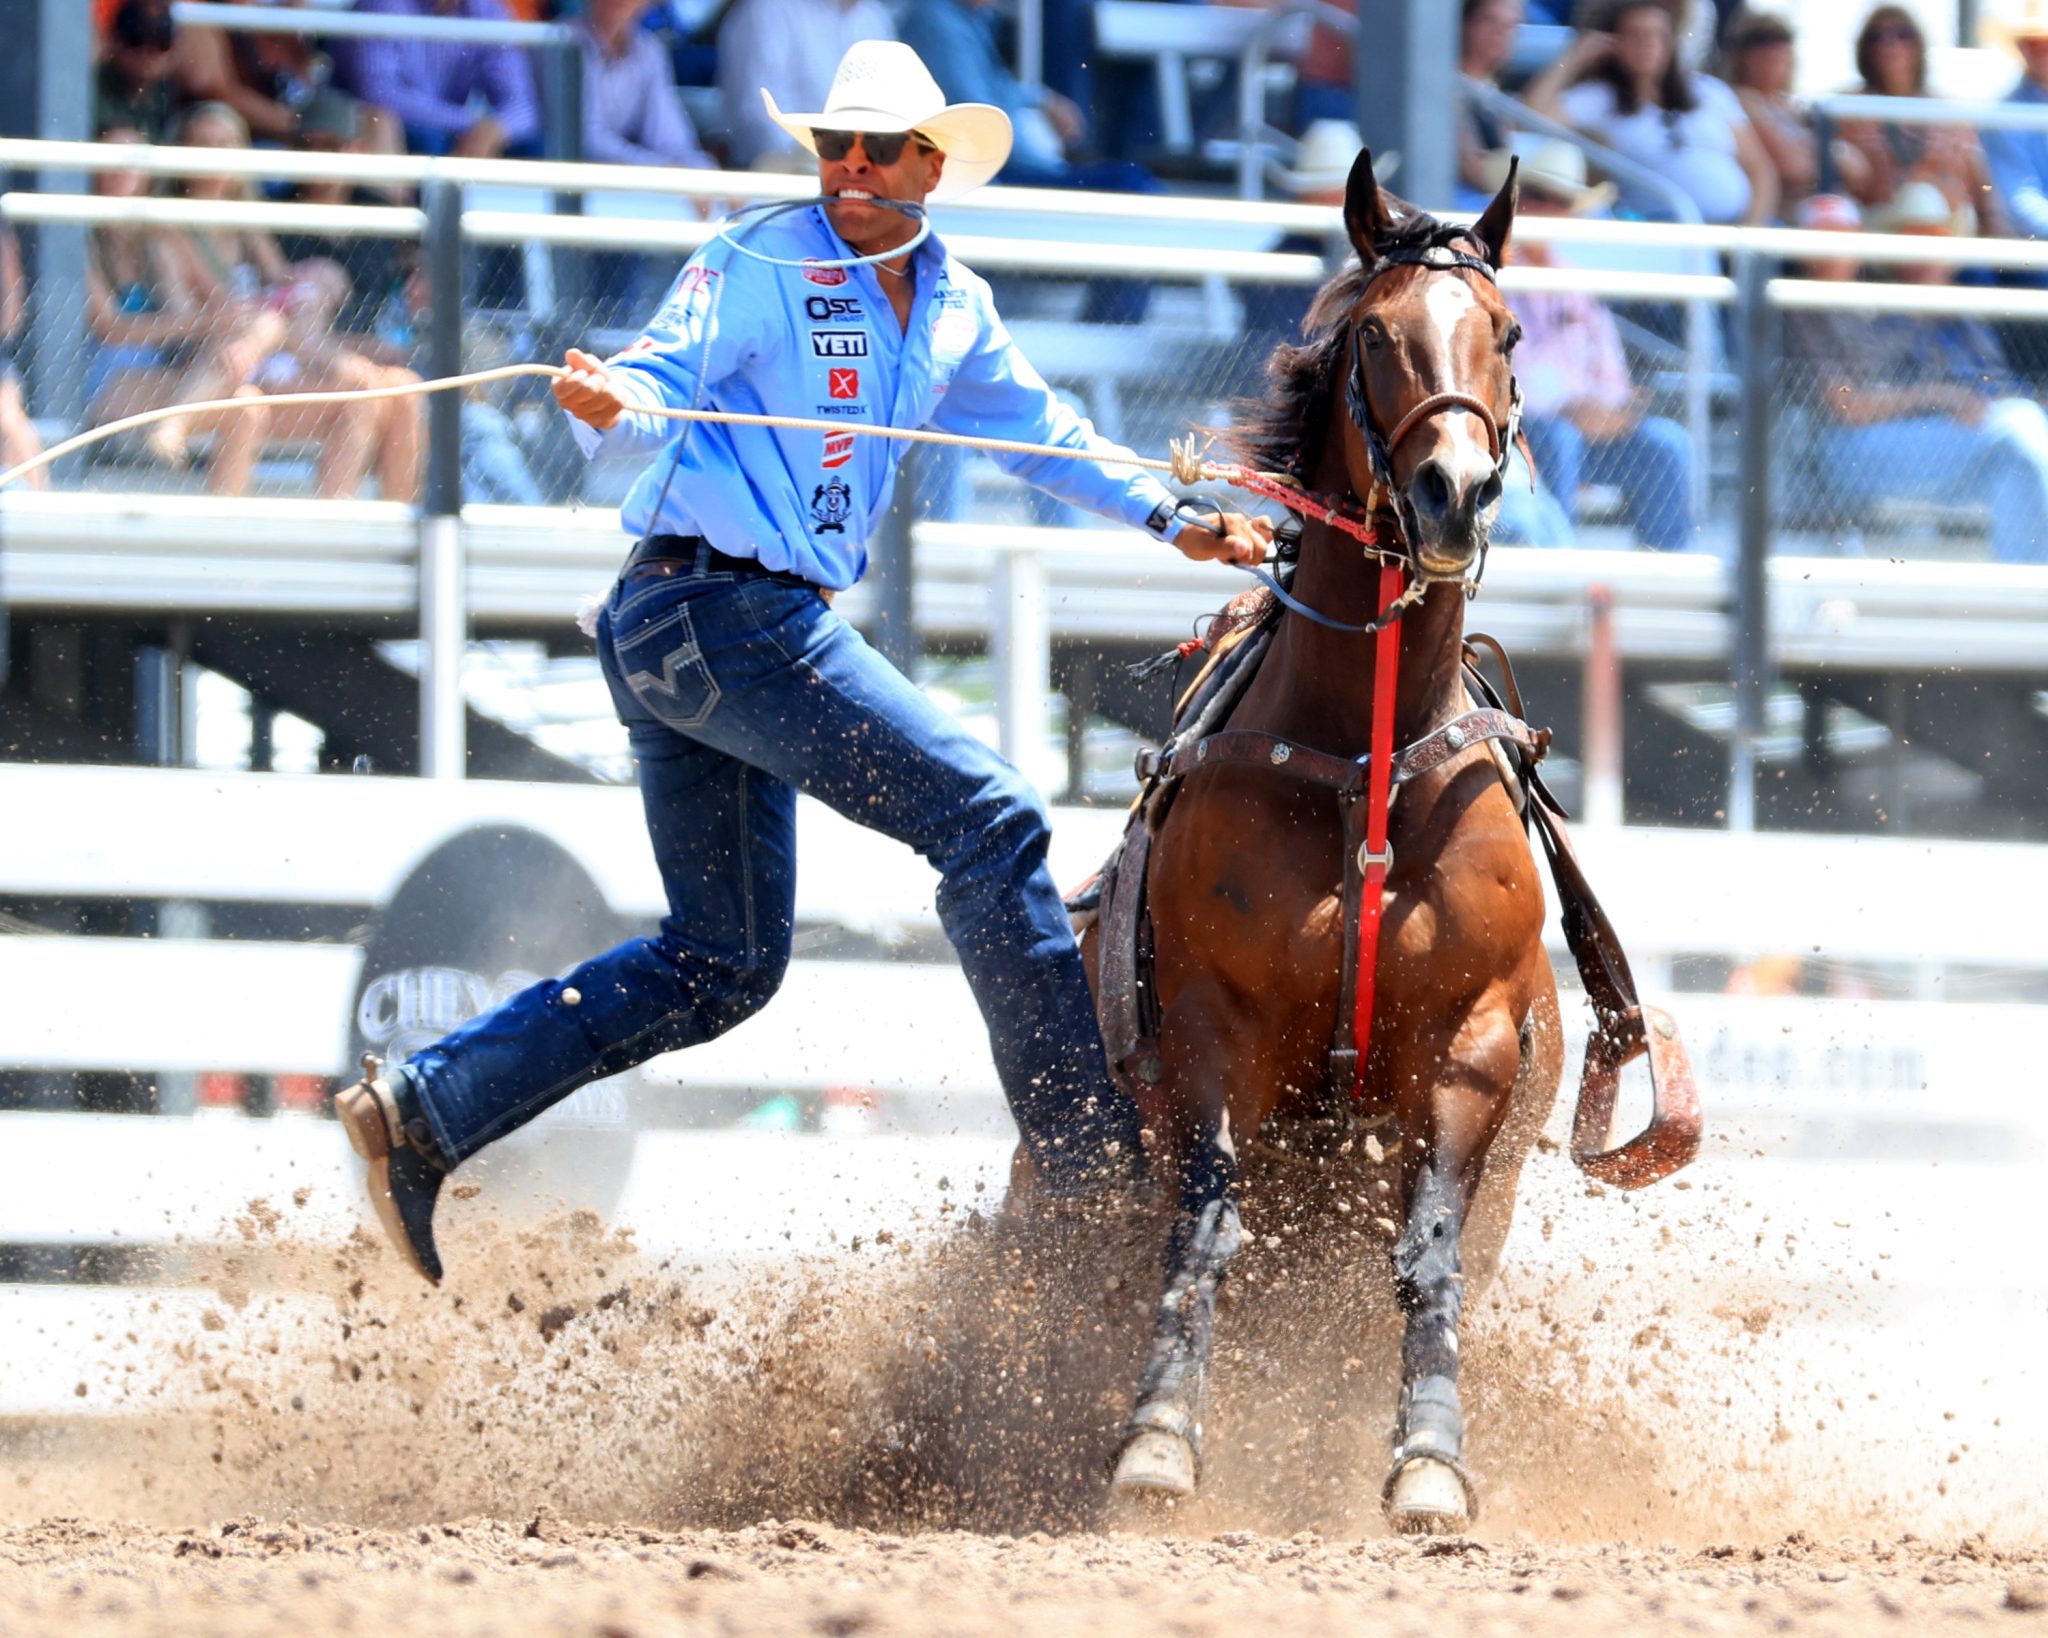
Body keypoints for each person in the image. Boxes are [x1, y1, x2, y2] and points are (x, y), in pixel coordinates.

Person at [331, 40, 1273, 1285]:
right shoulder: (758, 256)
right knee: (990, 819)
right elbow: (667, 364)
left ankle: (427, 1109)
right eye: (832, 146)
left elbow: (1044, 436)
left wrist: (1171, 514)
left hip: (692, 631)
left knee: (721, 964)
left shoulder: (949, 308)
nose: (847, 169)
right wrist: (620, 396)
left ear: (930, 165)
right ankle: (1093, 1173)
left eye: (874, 149)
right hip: (721, 616)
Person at [1784, 189, 2048, 564]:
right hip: (1853, 449)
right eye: (1823, 237)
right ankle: (2032, 589)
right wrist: (1941, 396)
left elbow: (1991, 385)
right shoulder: (1799, 307)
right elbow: (1847, 406)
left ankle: (2028, 584)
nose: (1834, 248)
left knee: (2021, 439)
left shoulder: (1881, 301)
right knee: (2017, 434)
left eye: (1844, 234)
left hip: (1936, 434)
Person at [1499, 140, 1699, 550]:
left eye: (1559, 200)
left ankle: (1663, 570)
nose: (1547, 209)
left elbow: (1609, 367)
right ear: (1517, 202)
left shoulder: (1574, 281)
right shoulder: (1489, 273)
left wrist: (1613, 409)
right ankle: (1559, 569)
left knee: (1667, 445)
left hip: (1584, 427)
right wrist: (1572, 409)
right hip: (1517, 431)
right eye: (1537, 196)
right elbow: (1496, 374)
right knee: (1557, 437)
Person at [1527, 0, 1777, 225]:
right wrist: (1574, 56)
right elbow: (1529, 120)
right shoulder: (1599, 98)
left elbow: (1761, 170)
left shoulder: (1710, 91)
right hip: (1666, 236)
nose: (1647, 43)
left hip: (1739, 235)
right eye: (1635, 35)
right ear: (1615, 43)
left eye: (1656, 35)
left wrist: (1749, 235)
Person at [1836, 6, 2001, 236]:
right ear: (1865, 47)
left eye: (1902, 34)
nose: (1890, 44)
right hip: (1881, 231)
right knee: (1920, 201)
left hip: (1949, 227)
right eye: (1877, 36)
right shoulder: (1849, 108)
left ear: (1918, 44)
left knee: (1925, 202)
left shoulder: (1945, 109)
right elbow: (1852, 187)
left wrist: (1998, 245)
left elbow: (1982, 183)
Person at [333, 0, 543, 160]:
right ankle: (430, 216)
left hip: (451, 130)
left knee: (531, 146)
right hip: (391, 126)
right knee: (429, 142)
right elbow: (378, 92)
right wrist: (472, 125)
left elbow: (524, 106)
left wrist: (496, 128)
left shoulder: (487, 10)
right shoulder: (383, 5)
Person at [716, 0, 895, 169]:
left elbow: (891, 112)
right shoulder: (768, 10)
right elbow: (758, 117)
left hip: (862, 174)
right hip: (782, 181)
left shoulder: (873, 17)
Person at [577, 0, 716, 170]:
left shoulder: (648, 50)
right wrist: (664, 168)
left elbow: (671, 138)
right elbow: (587, 139)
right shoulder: (562, 40)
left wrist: (706, 173)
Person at [1981, 0, 2048, 244]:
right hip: (2036, 248)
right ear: (2022, 48)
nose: (2041, 51)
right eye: (2034, 43)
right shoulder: (2004, 116)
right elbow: (2020, 198)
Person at [1458, 0, 1525, 212]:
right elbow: (1472, 169)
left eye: (1510, 26)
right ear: (1466, 24)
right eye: (1490, 21)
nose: (1500, 34)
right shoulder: (1447, 86)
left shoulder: (1493, 90)